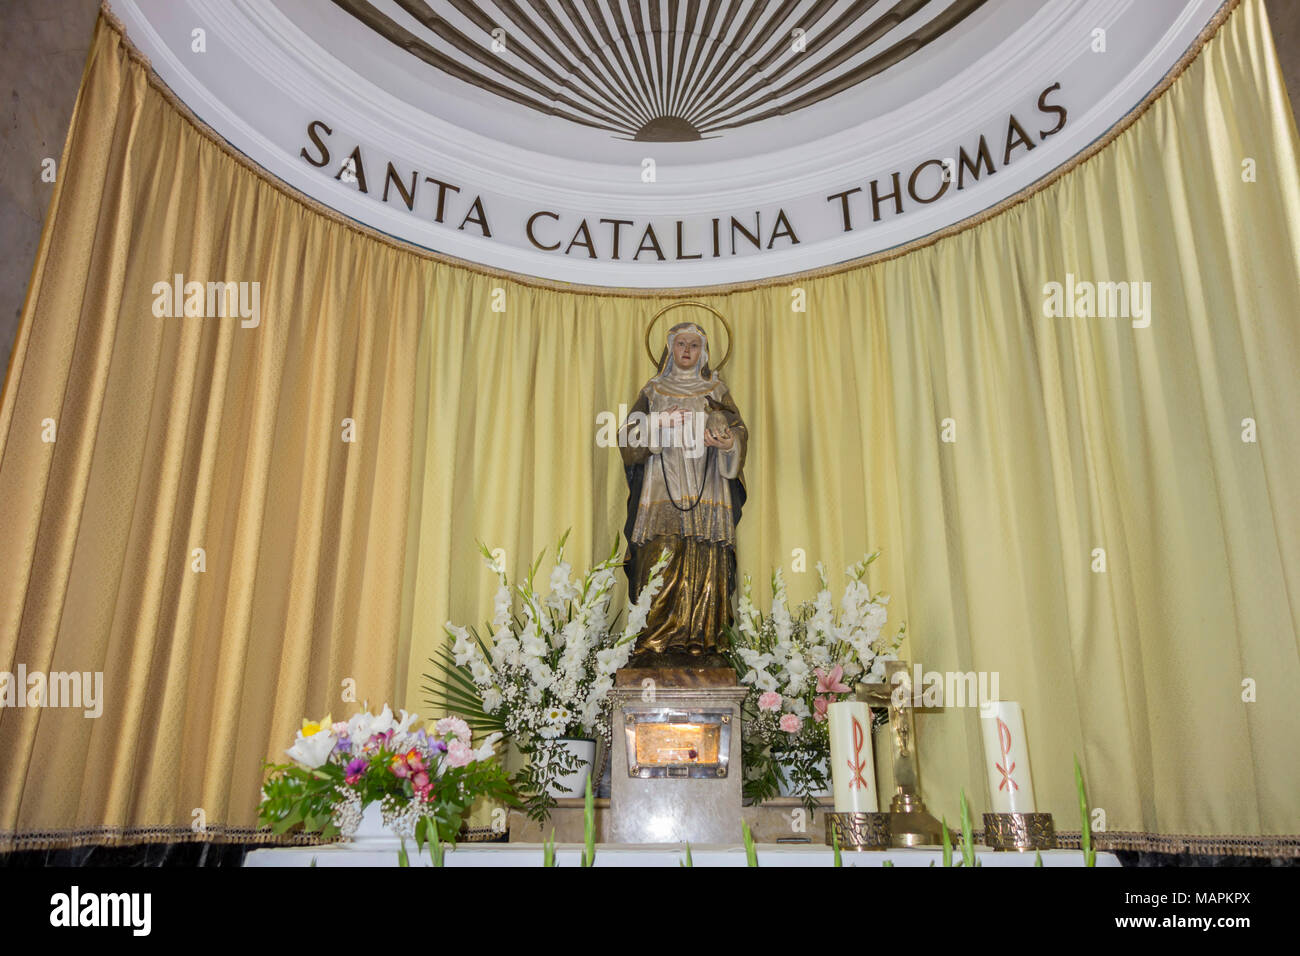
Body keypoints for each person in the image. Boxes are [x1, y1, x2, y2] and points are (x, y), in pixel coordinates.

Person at [619, 322, 747, 665]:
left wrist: (727, 441)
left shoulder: (716, 390)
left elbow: (736, 430)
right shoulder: (654, 390)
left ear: (703, 352)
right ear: (670, 351)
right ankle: (654, 642)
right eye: (680, 344)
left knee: (705, 557)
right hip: (662, 487)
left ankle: (704, 641)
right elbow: (627, 438)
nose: (687, 350)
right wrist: (657, 424)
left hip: (708, 489)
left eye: (693, 345)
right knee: (660, 557)